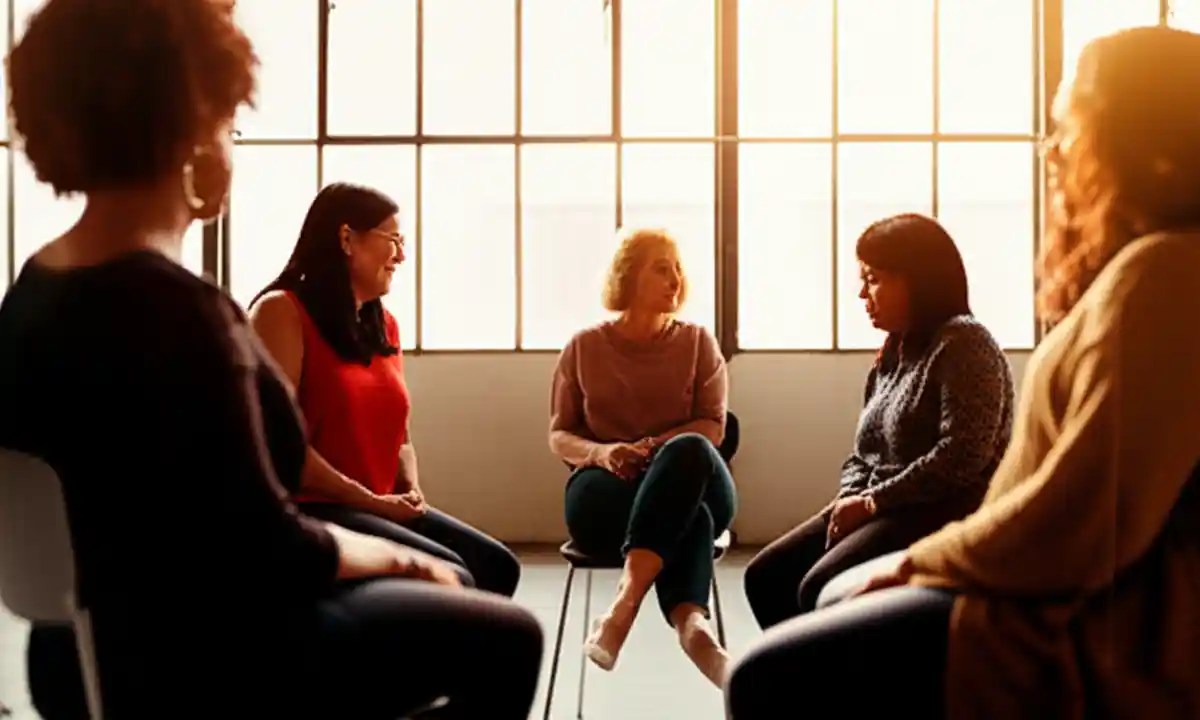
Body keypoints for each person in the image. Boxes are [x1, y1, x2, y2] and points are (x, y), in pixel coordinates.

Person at [0, 2, 542, 717]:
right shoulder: (187, 315)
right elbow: (271, 548)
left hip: (69, 653)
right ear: (191, 127)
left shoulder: (30, 295)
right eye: (229, 123)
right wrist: (402, 557)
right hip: (205, 657)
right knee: (510, 635)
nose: (232, 143)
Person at [724, 26, 1200, 720]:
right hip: (1079, 608)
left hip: (1109, 639)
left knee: (774, 676)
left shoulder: (1178, 276)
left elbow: (1082, 520)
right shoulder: (1174, 270)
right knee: (805, 597)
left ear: (1138, 141)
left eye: (1071, 126)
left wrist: (910, 564)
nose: (1056, 152)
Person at [248, 182, 521, 597]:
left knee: (498, 567)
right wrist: (373, 503)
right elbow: (281, 449)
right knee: (457, 577)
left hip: (375, 504)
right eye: (392, 240)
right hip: (312, 508)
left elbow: (401, 435)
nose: (402, 256)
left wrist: (409, 489)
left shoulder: (383, 323)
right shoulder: (280, 312)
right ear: (345, 239)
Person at [742, 214, 1013, 629]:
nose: (862, 294)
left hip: (940, 509)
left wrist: (871, 503)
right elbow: (863, 453)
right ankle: (803, 690)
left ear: (917, 279)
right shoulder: (892, 352)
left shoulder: (965, 343)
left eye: (874, 279)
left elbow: (962, 457)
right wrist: (851, 498)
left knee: (817, 586)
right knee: (766, 576)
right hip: (881, 505)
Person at [549, 228, 738, 687]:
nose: (674, 279)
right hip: (608, 490)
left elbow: (713, 426)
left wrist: (654, 448)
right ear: (628, 275)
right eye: (661, 268)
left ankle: (623, 605)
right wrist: (604, 452)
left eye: (677, 268)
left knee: (688, 451)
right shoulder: (584, 347)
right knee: (687, 517)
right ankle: (694, 628)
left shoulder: (697, 342)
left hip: (690, 474)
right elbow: (559, 434)